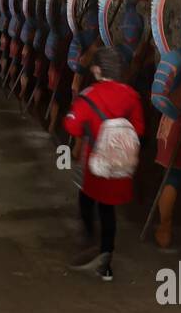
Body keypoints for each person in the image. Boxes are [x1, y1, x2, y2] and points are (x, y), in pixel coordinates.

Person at [63, 47, 147, 281]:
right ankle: (105, 260)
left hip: (95, 160)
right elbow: (139, 129)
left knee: (88, 199)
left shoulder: (89, 95)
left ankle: (90, 239)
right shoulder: (131, 95)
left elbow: (71, 125)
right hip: (121, 161)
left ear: (97, 70)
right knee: (109, 209)